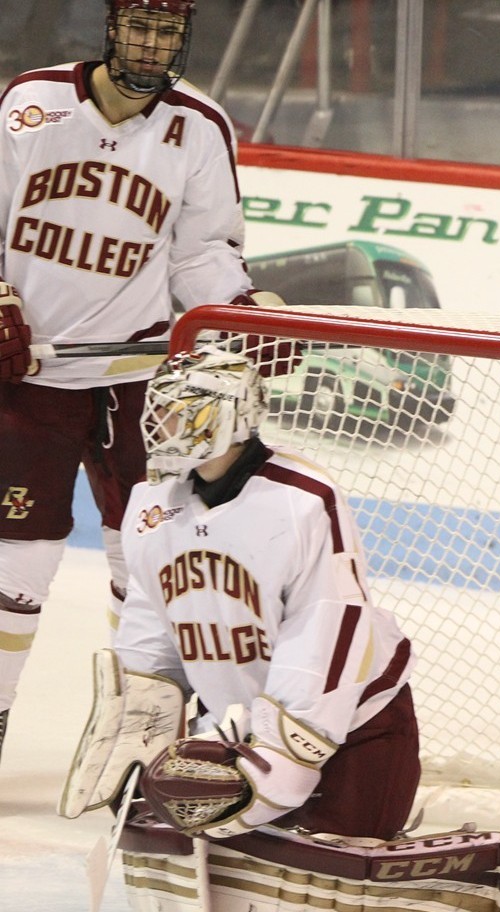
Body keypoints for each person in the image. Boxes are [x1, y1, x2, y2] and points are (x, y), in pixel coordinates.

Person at [0, 0, 281, 763]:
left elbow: (201, 252)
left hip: (140, 382)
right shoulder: (31, 102)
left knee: (150, 561)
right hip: (33, 378)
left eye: (168, 32)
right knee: (16, 563)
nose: (153, 45)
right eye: (140, 28)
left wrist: (242, 310)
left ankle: (142, 743)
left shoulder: (200, 126)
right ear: (111, 28)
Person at [113, 347, 419, 839]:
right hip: (236, 731)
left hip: (356, 724)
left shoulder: (300, 499)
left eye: (178, 411)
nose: (159, 424)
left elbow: (325, 625)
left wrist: (283, 756)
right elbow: (149, 620)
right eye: (159, 410)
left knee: (337, 860)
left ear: (228, 417)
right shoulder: (151, 504)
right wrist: (137, 730)